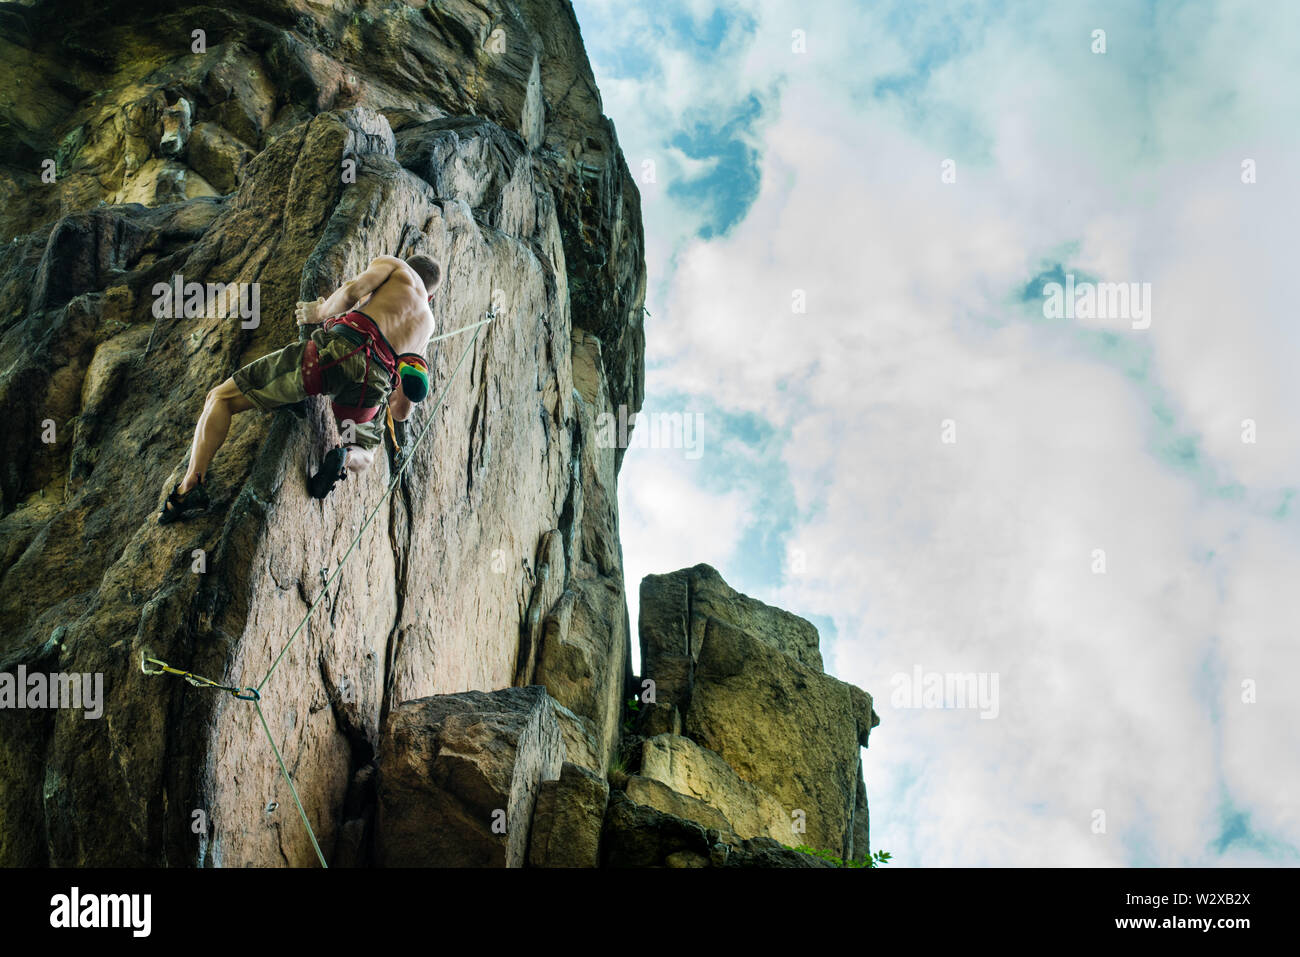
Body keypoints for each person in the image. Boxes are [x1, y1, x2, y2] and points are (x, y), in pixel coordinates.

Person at [158, 254, 440, 523]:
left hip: (335, 355)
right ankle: (347, 457)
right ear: (430, 297)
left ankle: (189, 486)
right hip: (369, 386)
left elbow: (353, 291)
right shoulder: (427, 323)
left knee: (221, 397)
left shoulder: (396, 267)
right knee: (365, 450)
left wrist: (318, 311)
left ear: (407, 262)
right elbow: (400, 411)